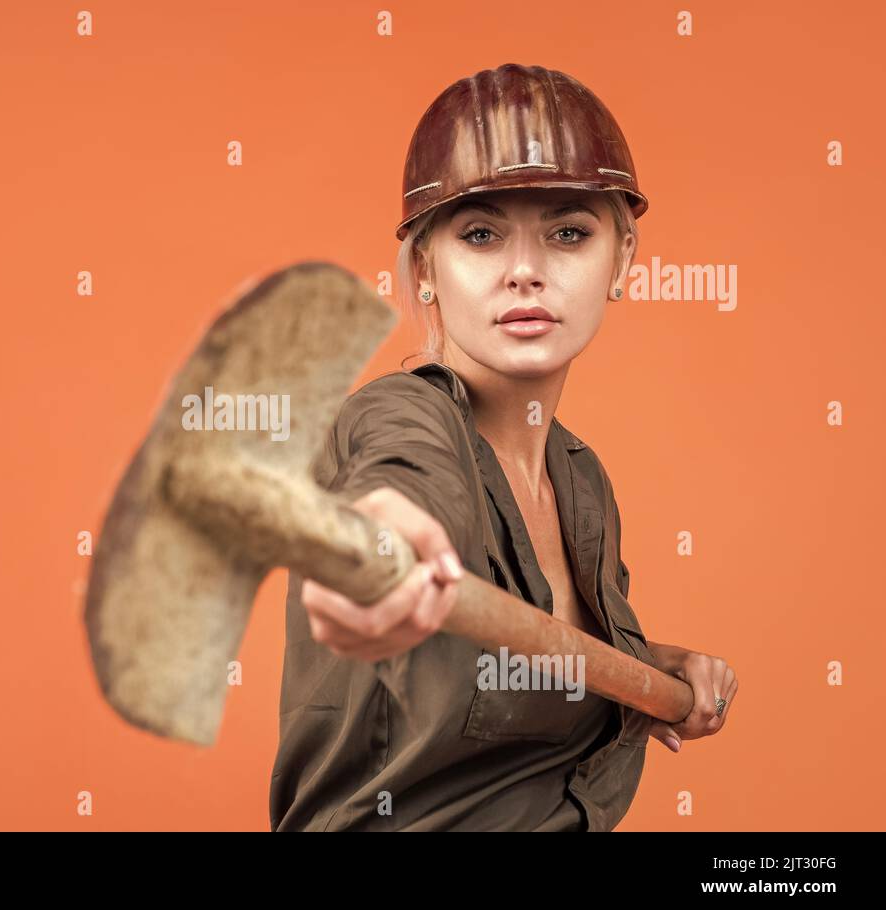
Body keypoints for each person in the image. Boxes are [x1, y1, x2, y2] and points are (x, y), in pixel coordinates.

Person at [269, 64, 738, 832]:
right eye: (481, 235)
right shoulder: (398, 422)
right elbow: (396, 504)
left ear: (621, 260)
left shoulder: (580, 479)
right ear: (424, 268)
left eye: (568, 233)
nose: (525, 271)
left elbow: (513, 653)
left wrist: (655, 664)